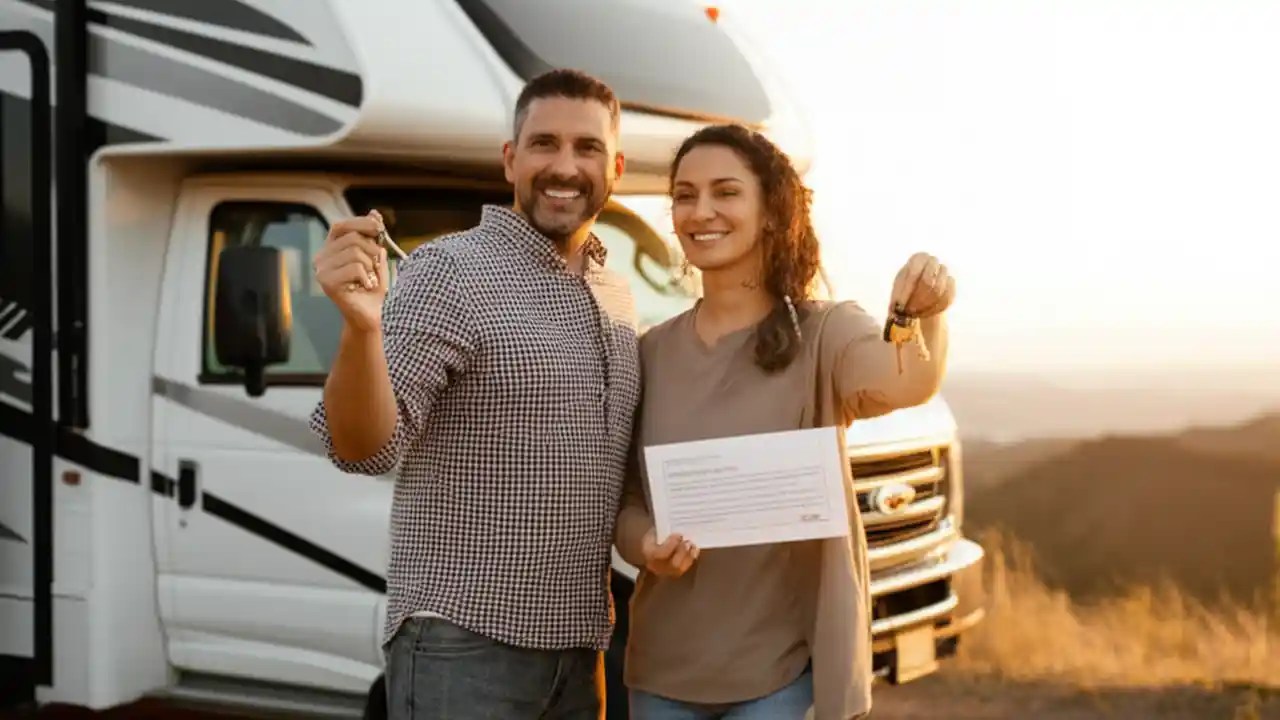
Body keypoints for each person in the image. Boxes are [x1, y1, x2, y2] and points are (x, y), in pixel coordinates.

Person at [308, 68, 640, 720]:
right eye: (544, 144)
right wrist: (360, 326)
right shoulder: (450, 270)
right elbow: (363, 448)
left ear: (617, 167)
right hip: (463, 648)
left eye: (587, 147)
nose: (564, 166)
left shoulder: (616, 294)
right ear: (511, 160)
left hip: (579, 653)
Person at [613, 124, 956, 720]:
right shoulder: (651, 351)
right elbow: (629, 502)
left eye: (725, 192)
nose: (702, 211)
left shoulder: (823, 333)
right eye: (685, 196)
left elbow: (910, 379)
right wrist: (646, 545)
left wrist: (921, 312)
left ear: (771, 211)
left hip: (783, 675)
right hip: (665, 670)